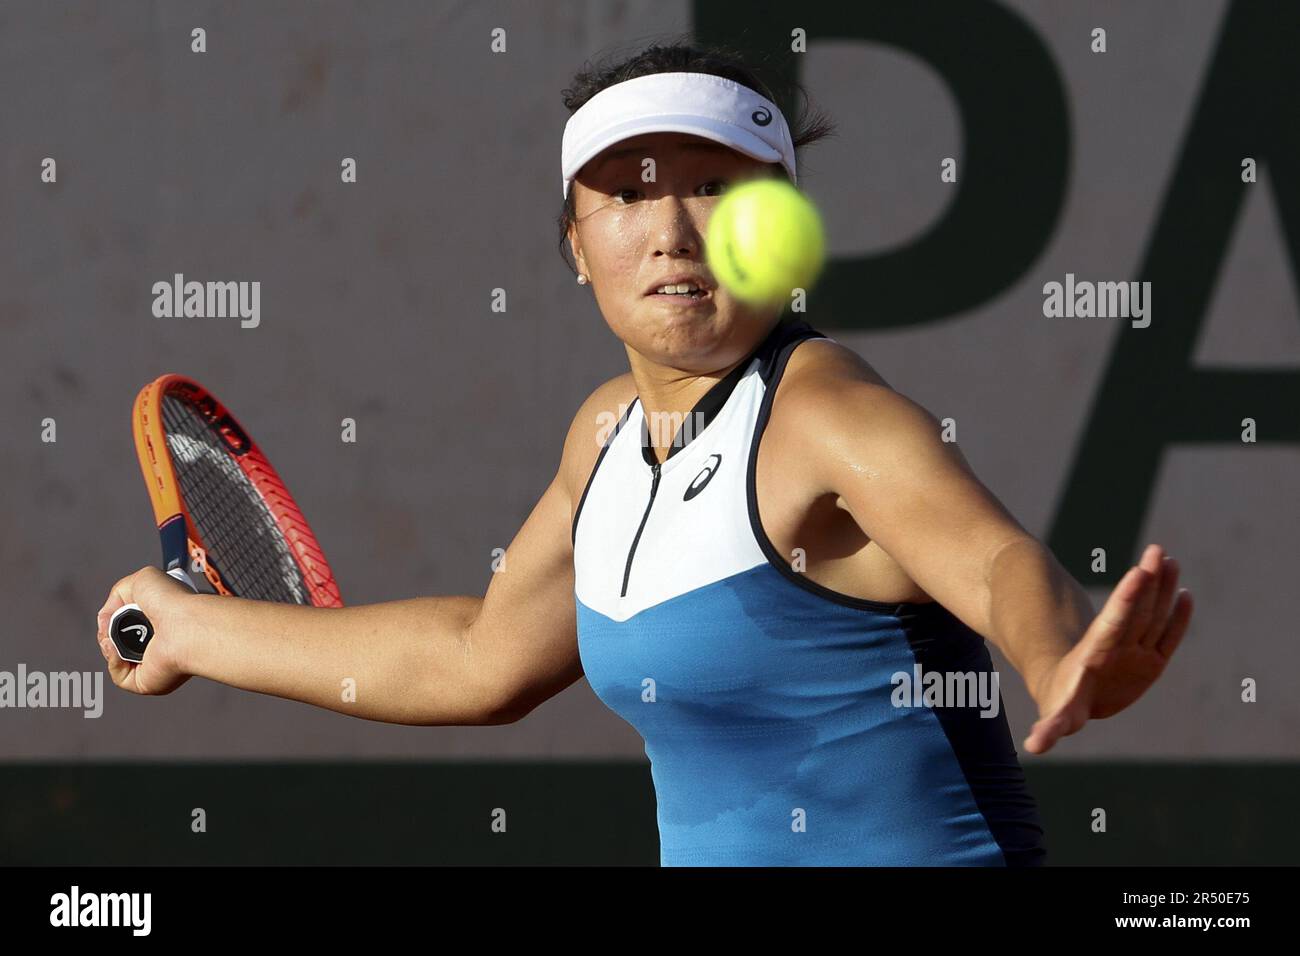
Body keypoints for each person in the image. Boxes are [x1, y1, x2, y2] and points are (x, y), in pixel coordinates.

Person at [95, 41, 1193, 866]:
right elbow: (477, 658)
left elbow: (998, 563)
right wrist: (194, 628)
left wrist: (1056, 655)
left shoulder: (833, 416)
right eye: (625, 193)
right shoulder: (603, 437)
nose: (671, 226)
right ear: (577, 246)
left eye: (714, 185)